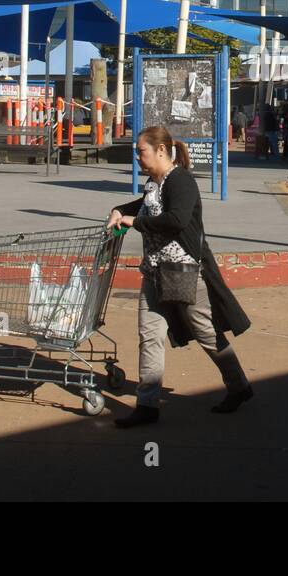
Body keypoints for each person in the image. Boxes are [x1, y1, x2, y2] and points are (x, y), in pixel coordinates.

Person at [107, 125, 253, 428]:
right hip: (155, 271)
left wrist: (137, 223)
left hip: (184, 270)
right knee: (150, 336)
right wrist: (119, 209)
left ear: (161, 151)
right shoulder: (154, 182)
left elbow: (176, 220)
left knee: (205, 331)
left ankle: (239, 386)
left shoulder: (181, 180)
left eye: (141, 151)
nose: (137, 157)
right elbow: (142, 205)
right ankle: (147, 404)